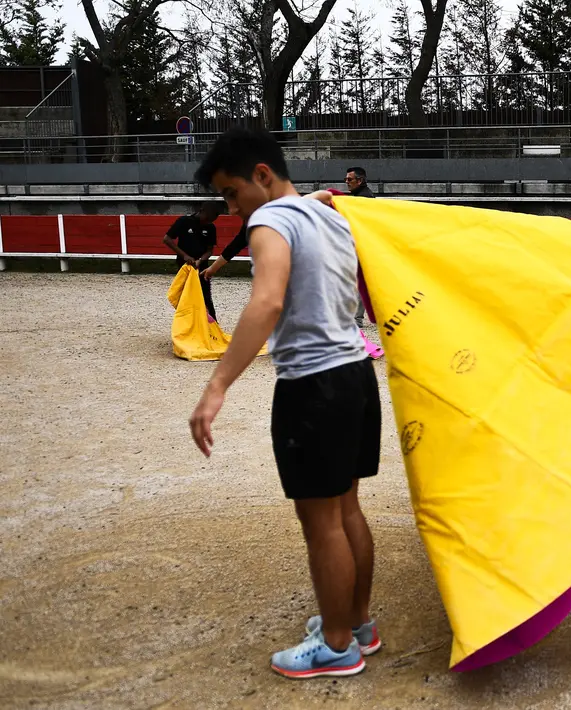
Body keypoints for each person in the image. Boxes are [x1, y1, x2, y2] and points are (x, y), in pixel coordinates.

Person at [188, 127, 383, 680]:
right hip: (355, 375)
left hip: (313, 387)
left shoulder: (270, 220)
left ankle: (338, 644)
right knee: (347, 508)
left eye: (231, 193)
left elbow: (267, 299)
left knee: (321, 522)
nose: (231, 208)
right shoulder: (330, 213)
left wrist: (217, 385)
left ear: (262, 175)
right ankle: (358, 626)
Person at [163, 202, 223, 321]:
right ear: (201, 211)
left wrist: (200, 260)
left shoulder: (210, 227)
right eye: (207, 219)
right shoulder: (184, 221)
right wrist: (185, 256)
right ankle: (186, 325)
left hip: (202, 266)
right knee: (185, 296)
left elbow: (209, 250)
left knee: (205, 296)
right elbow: (166, 239)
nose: (208, 222)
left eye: (211, 220)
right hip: (184, 266)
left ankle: (212, 326)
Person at [344, 167, 374, 326]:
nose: (347, 182)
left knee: (359, 281)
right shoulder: (359, 197)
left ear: (360, 180)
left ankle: (356, 319)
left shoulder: (363, 199)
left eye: (350, 179)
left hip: (362, 245)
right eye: (346, 179)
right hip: (359, 244)